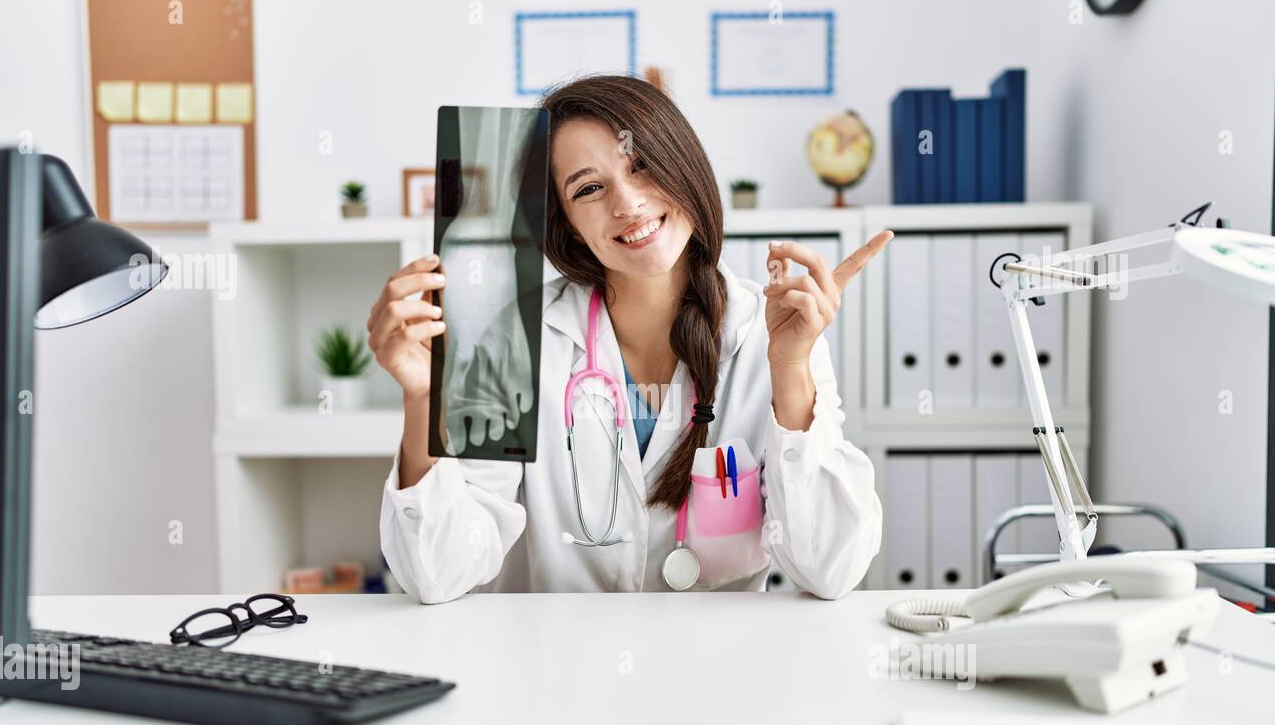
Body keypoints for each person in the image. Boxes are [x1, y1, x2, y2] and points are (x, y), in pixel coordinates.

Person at [368, 74, 891, 602]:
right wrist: (421, 401)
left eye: (641, 165)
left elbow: (831, 568)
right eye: (588, 188)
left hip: (718, 670)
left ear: (683, 165)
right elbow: (436, 574)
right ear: (568, 223)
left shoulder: (772, 332)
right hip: (551, 668)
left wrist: (792, 367)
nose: (628, 203)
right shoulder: (510, 339)